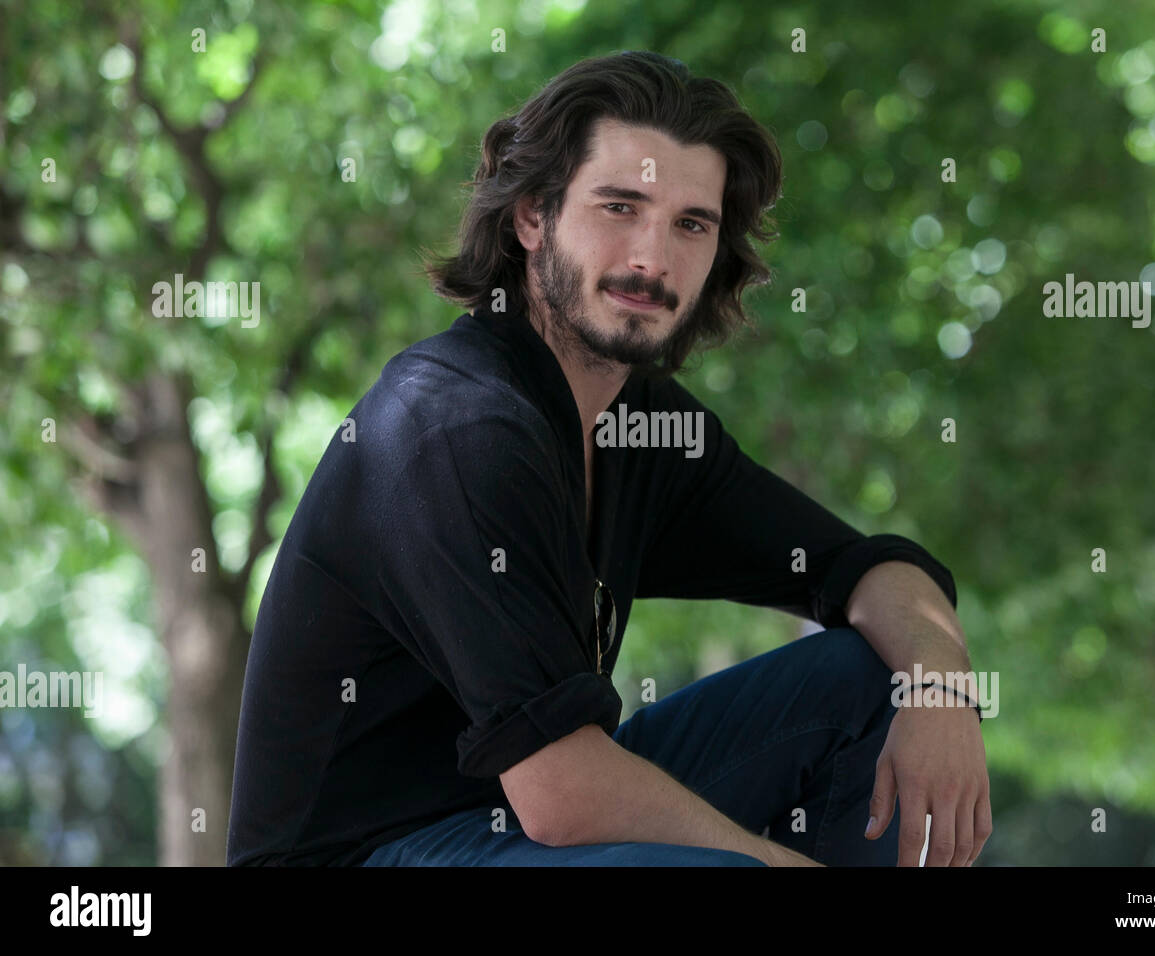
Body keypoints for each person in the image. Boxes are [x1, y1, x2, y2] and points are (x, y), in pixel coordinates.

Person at [227, 50, 991, 868]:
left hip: (518, 832)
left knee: (870, 677)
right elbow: (561, 794)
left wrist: (939, 686)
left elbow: (860, 568)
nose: (652, 259)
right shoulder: (454, 429)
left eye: (690, 224)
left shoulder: (640, 430)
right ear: (530, 216)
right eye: (619, 206)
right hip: (376, 855)